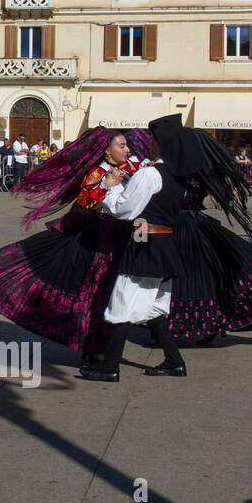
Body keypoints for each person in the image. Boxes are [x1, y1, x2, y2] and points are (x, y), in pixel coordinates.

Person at [0, 128, 147, 359]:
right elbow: (85, 201)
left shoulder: (127, 170)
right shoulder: (98, 173)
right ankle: (92, 344)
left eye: (127, 146)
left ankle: (100, 344)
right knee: (94, 294)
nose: (127, 150)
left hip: (117, 242)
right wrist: (105, 186)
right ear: (106, 152)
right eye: (122, 146)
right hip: (96, 243)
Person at [80, 115, 193, 382]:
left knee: (121, 304)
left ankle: (109, 368)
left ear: (159, 142)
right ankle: (174, 361)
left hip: (146, 245)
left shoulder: (150, 173)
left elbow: (124, 210)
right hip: (164, 245)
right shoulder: (176, 174)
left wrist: (111, 189)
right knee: (153, 308)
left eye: (152, 139)